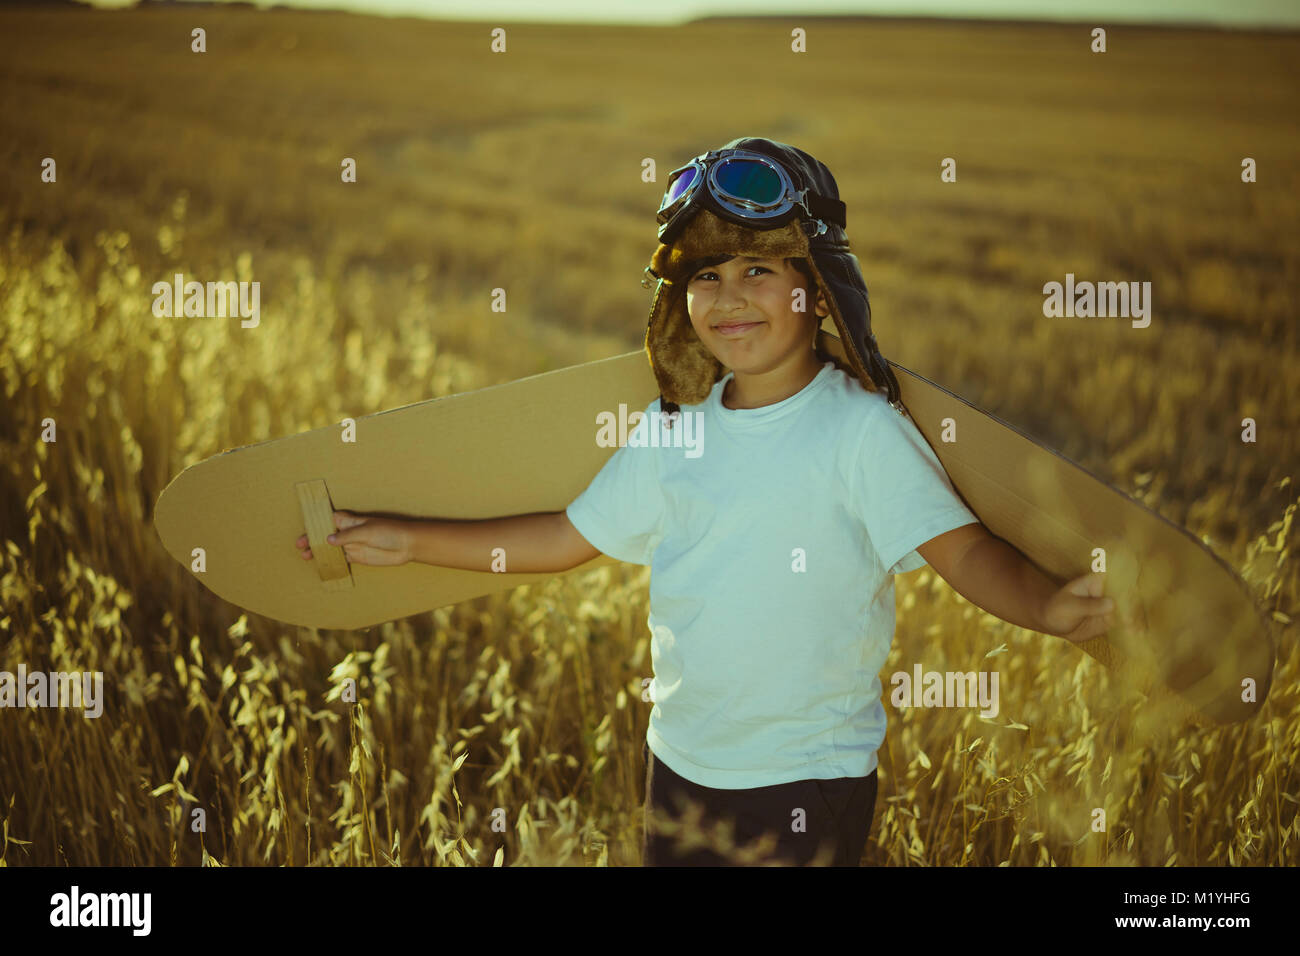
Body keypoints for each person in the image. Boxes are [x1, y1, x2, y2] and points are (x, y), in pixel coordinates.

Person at [294, 136, 1117, 867]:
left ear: (820, 290)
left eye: (759, 268)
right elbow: (563, 536)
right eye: (706, 275)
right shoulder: (673, 429)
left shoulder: (861, 432)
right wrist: (407, 540)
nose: (728, 296)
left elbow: (966, 551)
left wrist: (1047, 606)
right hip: (680, 765)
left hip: (807, 782)